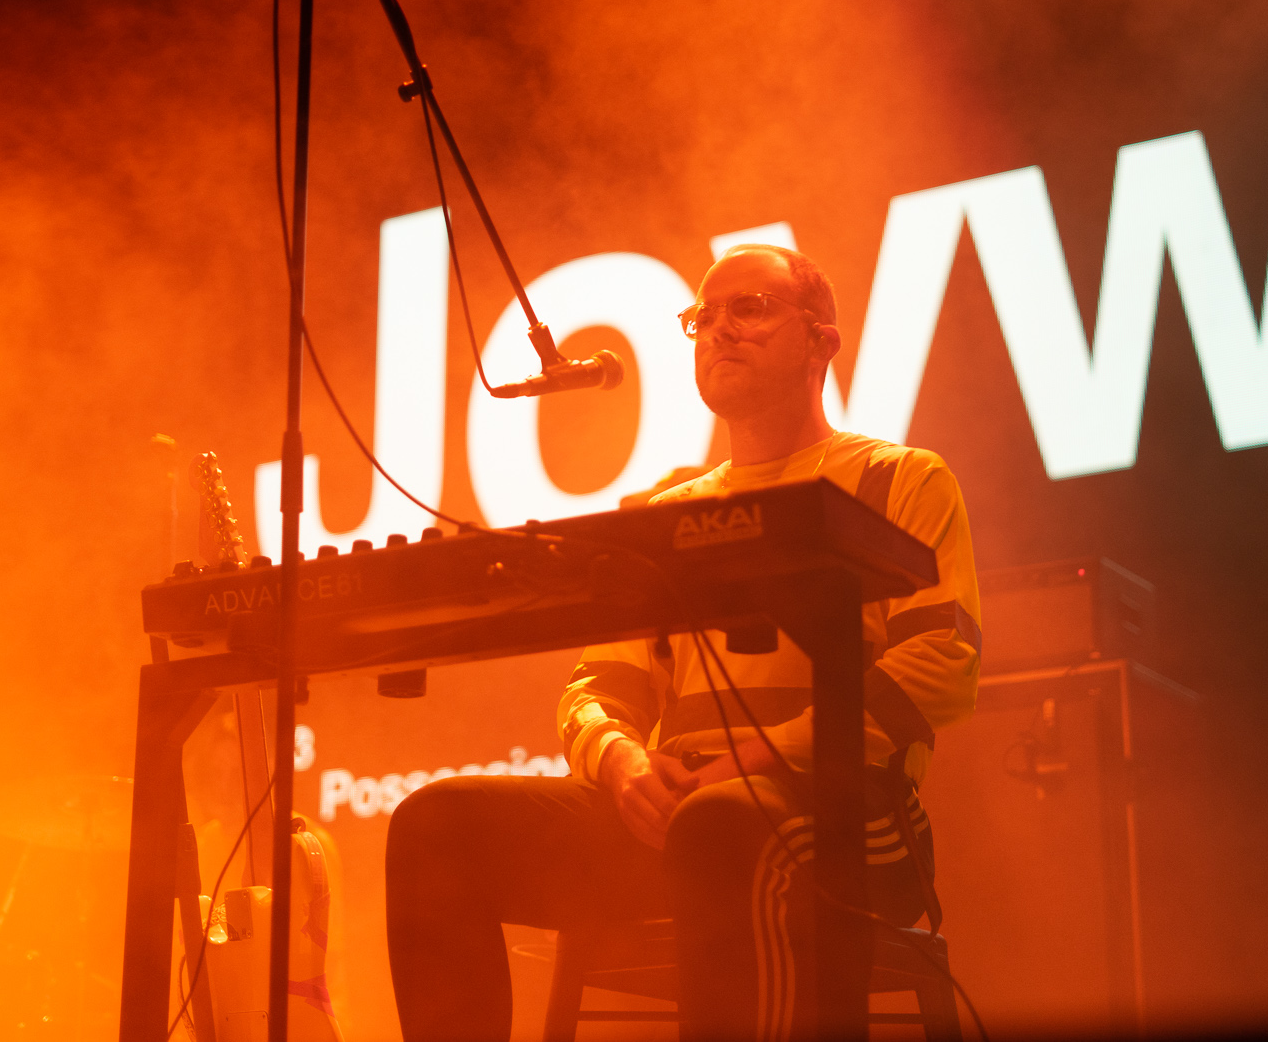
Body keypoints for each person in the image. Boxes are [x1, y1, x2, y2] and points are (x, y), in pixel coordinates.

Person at [386, 244, 981, 1041]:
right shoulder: (662, 509)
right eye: (703, 316)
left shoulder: (901, 477)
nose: (719, 330)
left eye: (751, 308)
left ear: (823, 341)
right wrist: (622, 762)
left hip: (848, 816)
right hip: (680, 820)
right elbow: (595, 688)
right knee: (437, 824)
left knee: (718, 828)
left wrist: (761, 756)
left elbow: (942, 661)